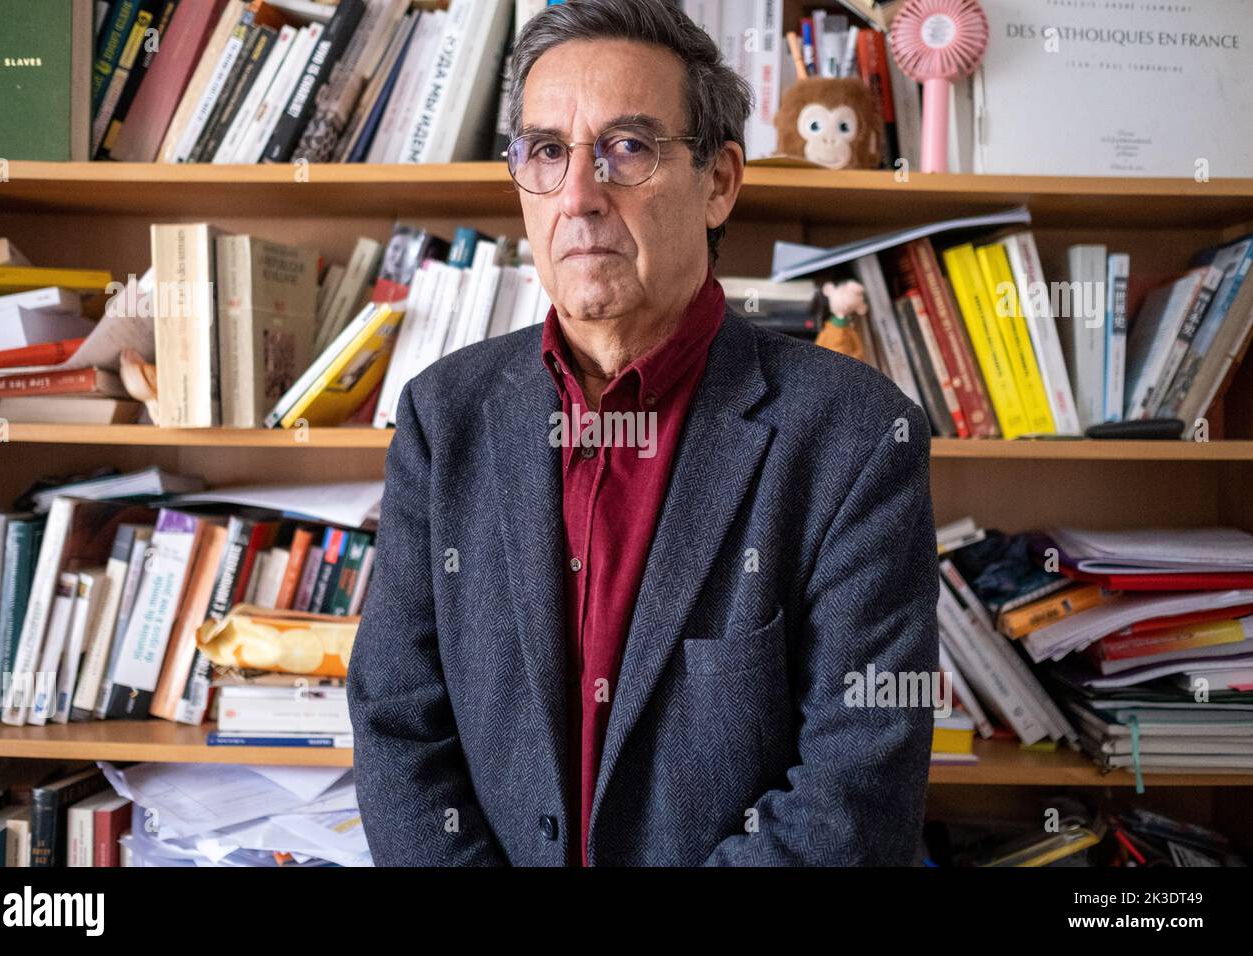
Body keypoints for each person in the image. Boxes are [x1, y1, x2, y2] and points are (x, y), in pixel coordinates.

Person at [348, 0, 939, 866]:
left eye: (629, 148)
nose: (580, 196)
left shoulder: (854, 436)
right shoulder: (445, 416)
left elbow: (857, 793)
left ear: (720, 182)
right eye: (547, 152)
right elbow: (396, 724)